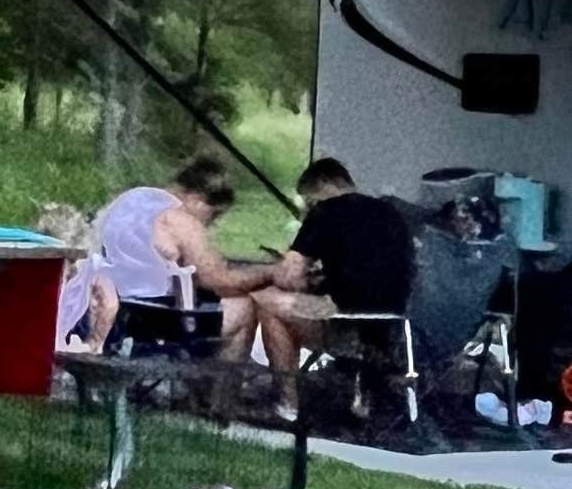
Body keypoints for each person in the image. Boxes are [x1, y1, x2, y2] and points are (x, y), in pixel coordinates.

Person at [151, 158, 293, 389]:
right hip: (157, 320)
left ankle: (195, 386)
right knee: (243, 305)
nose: (212, 223)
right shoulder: (182, 220)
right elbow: (218, 282)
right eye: (214, 214)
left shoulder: (138, 204)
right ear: (197, 199)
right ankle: (221, 397)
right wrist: (271, 273)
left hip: (124, 311)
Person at [266, 156, 416, 351]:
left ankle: (284, 371)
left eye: (310, 200)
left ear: (323, 183)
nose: (310, 206)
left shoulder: (325, 211)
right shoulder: (391, 211)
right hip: (396, 314)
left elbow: (290, 272)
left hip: (346, 314)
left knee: (267, 301)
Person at [36, 202, 120, 352]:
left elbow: (110, 303)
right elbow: (110, 303)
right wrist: (94, 343)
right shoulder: (89, 266)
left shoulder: (92, 268)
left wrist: (93, 343)